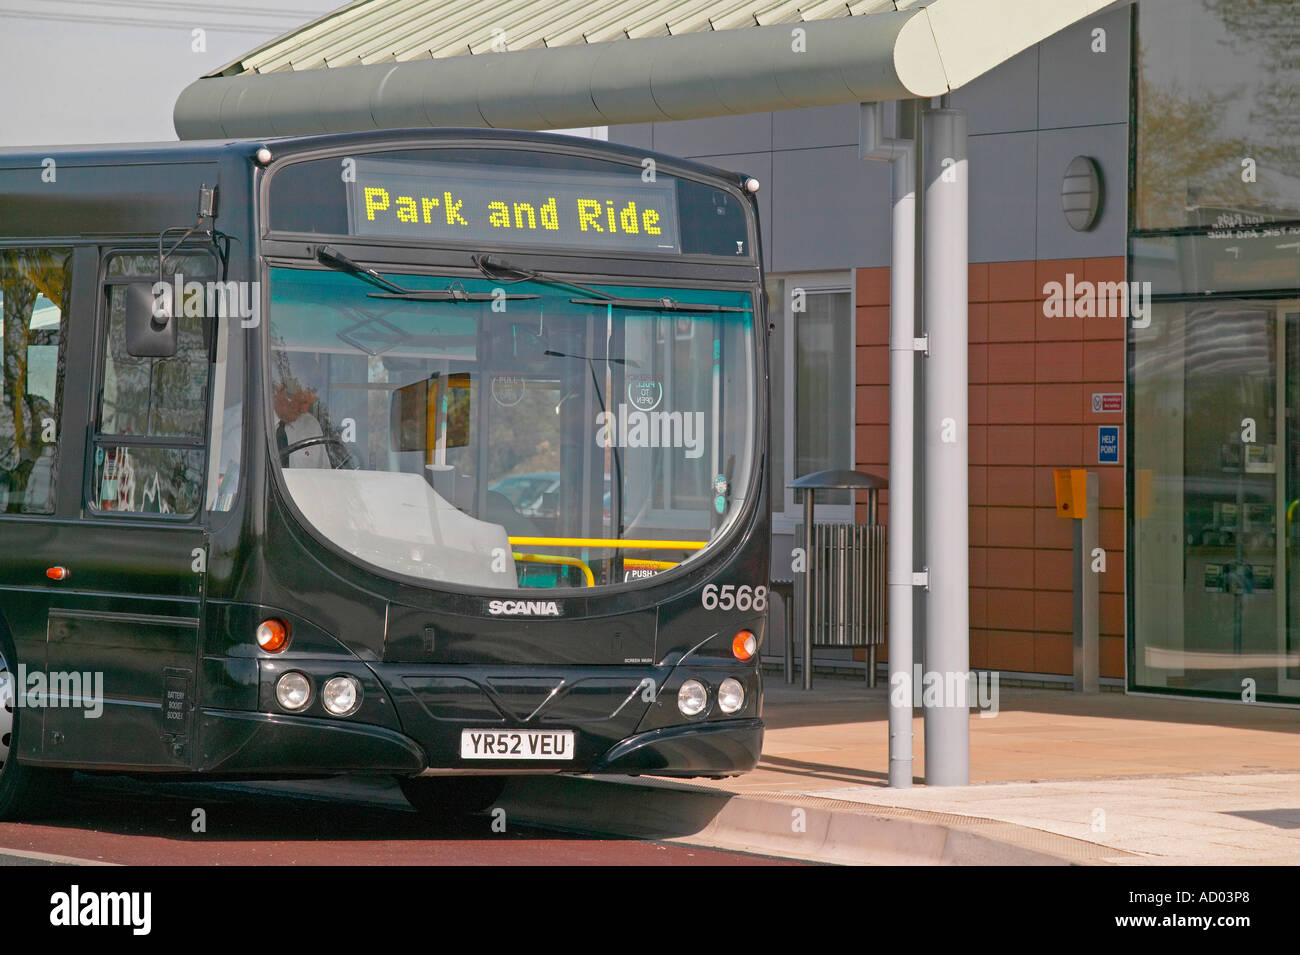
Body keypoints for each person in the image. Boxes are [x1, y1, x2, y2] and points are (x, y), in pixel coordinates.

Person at [273, 381, 331, 468]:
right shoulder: (254, 423)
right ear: (281, 391)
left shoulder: (311, 425)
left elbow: (325, 473)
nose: (304, 410)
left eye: (308, 403)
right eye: (300, 402)